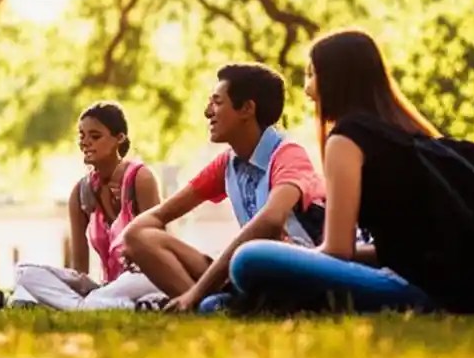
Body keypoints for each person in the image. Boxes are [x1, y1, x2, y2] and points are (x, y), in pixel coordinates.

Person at [228, 30, 474, 313]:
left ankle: (270, 298)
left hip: (418, 289)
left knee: (248, 258)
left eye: (311, 74)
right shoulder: (406, 134)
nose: (307, 89)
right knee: (237, 286)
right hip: (458, 285)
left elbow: (338, 251)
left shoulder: (347, 137)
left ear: (336, 78)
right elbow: (398, 250)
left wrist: (300, 256)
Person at [123, 63, 326, 312]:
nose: (208, 112)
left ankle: (199, 301)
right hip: (247, 268)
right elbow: (161, 214)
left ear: (247, 109)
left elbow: (271, 221)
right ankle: (201, 308)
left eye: (217, 102)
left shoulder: (288, 155)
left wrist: (197, 290)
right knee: (138, 237)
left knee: (248, 259)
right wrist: (130, 241)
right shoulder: (227, 163)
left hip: (291, 269)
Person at [9, 102, 163, 310]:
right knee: (25, 274)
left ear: (119, 139)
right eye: (82, 136)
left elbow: (160, 250)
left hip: (144, 279)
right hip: (108, 287)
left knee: (109, 292)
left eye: (95, 136)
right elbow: (79, 270)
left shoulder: (140, 178)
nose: (85, 143)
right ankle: (102, 304)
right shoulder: (81, 192)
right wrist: (70, 285)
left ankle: (83, 305)